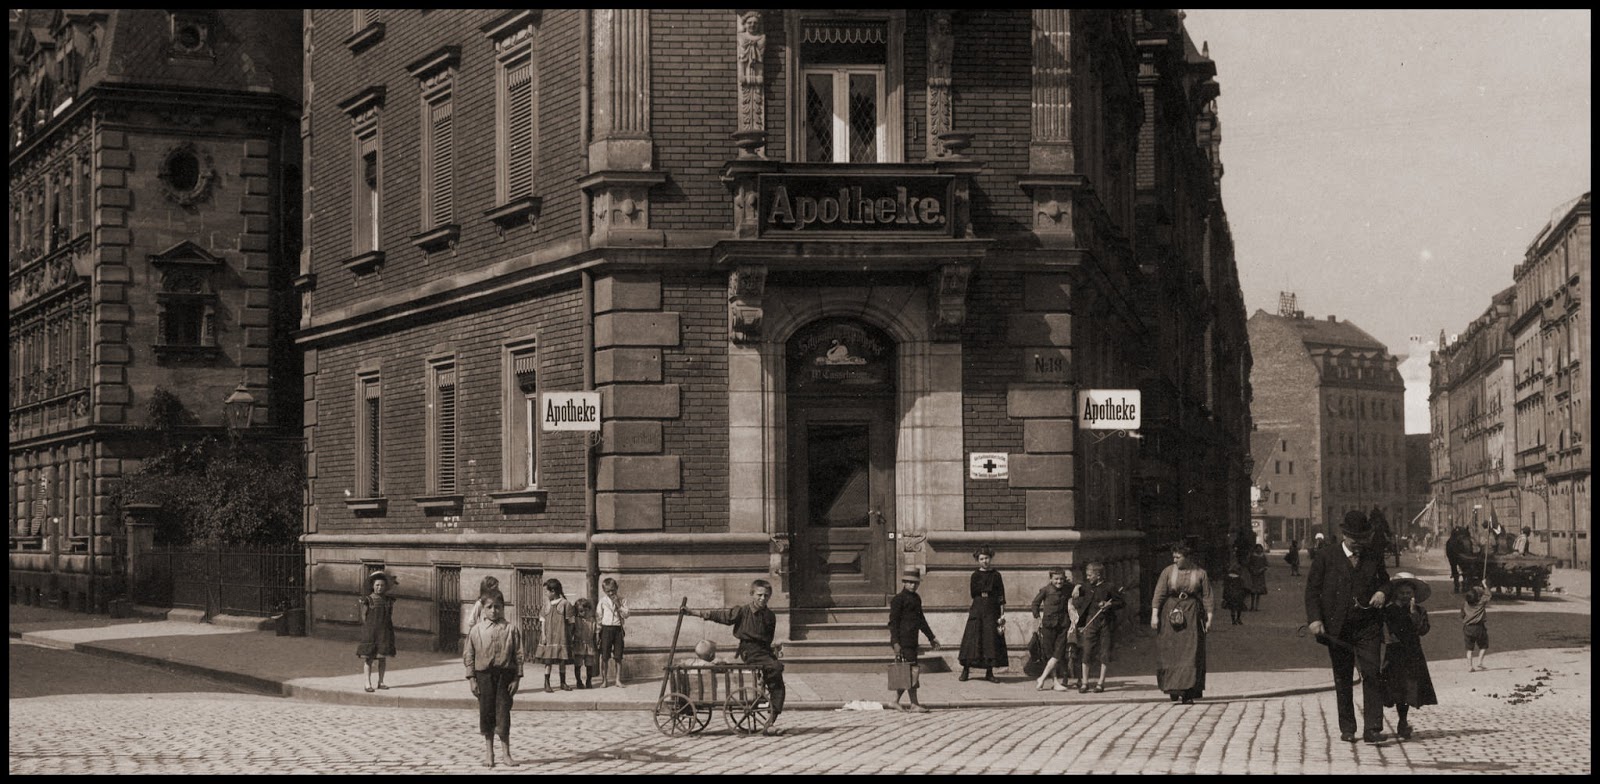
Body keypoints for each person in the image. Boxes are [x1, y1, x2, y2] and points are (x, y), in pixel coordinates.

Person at [1305, 510, 1390, 744]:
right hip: (1337, 628)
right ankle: (1348, 728)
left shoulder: (1373, 555)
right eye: (1355, 539)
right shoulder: (1326, 556)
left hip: (1367, 626)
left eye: (1363, 538)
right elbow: (1312, 590)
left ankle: (1372, 728)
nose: (1359, 544)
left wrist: (1382, 591)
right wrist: (1315, 619)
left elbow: (1385, 580)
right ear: (1344, 535)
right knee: (1343, 678)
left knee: (1372, 673)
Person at [690, 579, 788, 736]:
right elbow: (722, 616)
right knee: (775, 668)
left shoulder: (770, 616)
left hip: (763, 652)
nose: (763, 599)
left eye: (767, 596)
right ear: (752, 594)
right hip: (748, 651)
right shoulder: (742, 612)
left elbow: (767, 640)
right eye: (759, 595)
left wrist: (774, 650)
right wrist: (696, 613)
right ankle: (769, 722)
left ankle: (771, 720)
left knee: (777, 680)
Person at [464, 592, 523, 768]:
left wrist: (517, 678)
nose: (494, 611)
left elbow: (518, 655)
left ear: (503, 608)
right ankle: (489, 753)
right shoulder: (476, 630)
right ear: (483, 609)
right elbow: (469, 655)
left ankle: (507, 754)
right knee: (487, 713)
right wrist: (472, 679)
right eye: (489, 607)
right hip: (484, 676)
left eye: (497, 607)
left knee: (503, 714)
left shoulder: (511, 629)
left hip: (505, 677)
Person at [1151, 543, 1213, 704]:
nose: (1175, 559)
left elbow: (1207, 597)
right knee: (1170, 651)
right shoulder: (1168, 572)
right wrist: (1154, 616)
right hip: (1170, 613)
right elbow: (1159, 593)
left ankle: (1188, 692)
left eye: (1178, 557)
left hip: (1192, 615)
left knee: (1191, 653)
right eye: (1174, 557)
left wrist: (1209, 618)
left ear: (1187, 557)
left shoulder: (1200, 573)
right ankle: (1173, 688)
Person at [1379, 572, 1437, 741]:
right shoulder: (1388, 610)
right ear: (1396, 593)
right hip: (1395, 654)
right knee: (1395, 688)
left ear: (1413, 595)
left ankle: (1403, 722)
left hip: (1413, 653)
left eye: (1409, 593)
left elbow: (1423, 630)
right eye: (1402, 593)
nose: (1405, 596)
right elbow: (1383, 630)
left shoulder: (1419, 610)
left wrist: (1414, 615)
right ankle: (1382, 724)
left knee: (1409, 688)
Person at [887, 567, 940, 712]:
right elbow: (893, 623)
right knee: (911, 672)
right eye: (909, 582)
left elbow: (921, 620)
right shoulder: (898, 600)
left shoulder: (916, 599)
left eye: (916, 583)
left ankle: (895, 701)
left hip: (912, 640)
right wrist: (895, 643)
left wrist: (931, 637)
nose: (913, 585)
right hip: (903, 642)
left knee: (909, 672)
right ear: (904, 582)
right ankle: (914, 703)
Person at [958, 546, 1008, 683]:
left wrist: (1002, 615)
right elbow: (973, 593)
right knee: (973, 639)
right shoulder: (975, 575)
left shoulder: (996, 575)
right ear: (977, 560)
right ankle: (965, 670)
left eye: (986, 558)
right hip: (978, 608)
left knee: (990, 640)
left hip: (992, 609)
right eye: (981, 559)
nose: (984, 561)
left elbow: (1001, 596)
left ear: (990, 558)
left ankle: (989, 672)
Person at [1074, 562, 1124, 693]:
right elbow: (1073, 586)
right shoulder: (1086, 586)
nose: (1088, 578)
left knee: (1104, 652)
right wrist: (1077, 587)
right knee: (1087, 651)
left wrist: (1110, 605)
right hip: (1090, 621)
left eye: (1090, 575)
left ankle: (1101, 683)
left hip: (1106, 623)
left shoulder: (1109, 587)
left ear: (1098, 575)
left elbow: (1121, 602)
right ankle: (1085, 683)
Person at [1029, 567, 1074, 691]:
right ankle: (1055, 682)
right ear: (1051, 579)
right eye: (1056, 579)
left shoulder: (1067, 588)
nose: (1059, 582)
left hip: (1063, 625)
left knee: (1058, 653)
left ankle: (1042, 678)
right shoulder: (1045, 590)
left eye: (1061, 579)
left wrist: (1078, 587)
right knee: (1050, 654)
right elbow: (1035, 604)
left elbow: (1078, 588)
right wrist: (1037, 617)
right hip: (1048, 626)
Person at [356, 571, 397, 693]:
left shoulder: (388, 600)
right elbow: (363, 616)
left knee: (382, 658)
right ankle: (367, 683)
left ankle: (381, 681)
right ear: (373, 586)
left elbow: (389, 615)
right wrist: (370, 628)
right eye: (377, 585)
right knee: (368, 658)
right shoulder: (368, 600)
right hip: (371, 632)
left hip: (384, 632)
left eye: (382, 585)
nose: (379, 588)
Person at [534, 578, 574, 693]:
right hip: (549, 637)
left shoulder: (565, 604)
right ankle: (547, 683)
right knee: (548, 661)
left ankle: (563, 682)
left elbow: (571, 622)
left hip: (561, 637)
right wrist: (543, 635)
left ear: (553, 591)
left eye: (546, 591)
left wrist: (568, 636)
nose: (545, 594)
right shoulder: (545, 604)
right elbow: (542, 621)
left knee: (562, 660)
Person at [596, 577, 630, 688]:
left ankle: (618, 680)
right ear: (604, 591)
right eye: (608, 591)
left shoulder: (622, 599)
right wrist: (598, 632)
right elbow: (599, 617)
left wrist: (619, 605)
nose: (611, 593)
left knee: (618, 656)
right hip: (606, 629)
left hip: (617, 629)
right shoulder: (602, 601)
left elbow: (626, 614)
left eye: (613, 590)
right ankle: (604, 680)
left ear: (616, 588)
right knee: (605, 656)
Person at [1462, 578, 1491, 672]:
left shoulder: (1465, 604)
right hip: (1479, 627)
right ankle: (1480, 662)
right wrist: (1484, 584)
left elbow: (1462, 615)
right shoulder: (1480, 604)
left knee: (1469, 648)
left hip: (1467, 628)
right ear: (1478, 598)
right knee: (1484, 646)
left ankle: (1469, 666)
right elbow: (1488, 595)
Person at [570, 597, 599, 690]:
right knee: (578, 664)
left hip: (589, 644)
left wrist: (597, 641)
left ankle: (588, 681)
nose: (583, 613)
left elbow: (596, 632)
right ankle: (578, 681)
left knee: (589, 664)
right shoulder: (575, 620)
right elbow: (571, 632)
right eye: (581, 611)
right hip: (578, 644)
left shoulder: (592, 620)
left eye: (586, 611)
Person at [1221, 560, 1248, 625]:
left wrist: (1224, 596)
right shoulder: (1240, 579)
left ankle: (1233, 620)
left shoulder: (1227, 578)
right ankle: (1238, 618)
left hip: (1230, 595)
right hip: (1238, 595)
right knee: (1239, 608)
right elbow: (1243, 587)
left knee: (1232, 608)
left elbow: (1225, 587)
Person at [1246, 543, 1269, 611]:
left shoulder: (1263, 556)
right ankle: (1252, 606)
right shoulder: (1252, 556)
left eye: (1260, 548)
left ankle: (1256, 606)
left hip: (1260, 576)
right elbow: (1249, 565)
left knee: (1258, 592)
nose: (1259, 549)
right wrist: (1252, 570)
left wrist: (1262, 569)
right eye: (1257, 548)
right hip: (1254, 575)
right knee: (1253, 592)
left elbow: (1266, 565)